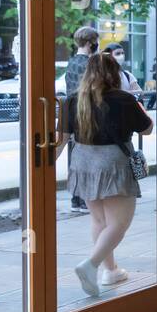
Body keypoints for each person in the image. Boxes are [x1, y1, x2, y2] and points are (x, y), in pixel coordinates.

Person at [59, 52, 154, 296]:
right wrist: (141, 107)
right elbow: (147, 129)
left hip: (82, 162)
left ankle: (109, 270)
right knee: (119, 223)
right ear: (115, 73)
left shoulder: (73, 100)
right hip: (113, 162)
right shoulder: (124, 99)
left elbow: (61, 139)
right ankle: (90, 265)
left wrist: (45, 166)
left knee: (99, 220)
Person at [64, 26, 99, 211]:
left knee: (76, 158)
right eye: (95, 42)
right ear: (89, 43)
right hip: (88, 114)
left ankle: (76, 198)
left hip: (72, 115)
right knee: (88, 157)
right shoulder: (90, 64)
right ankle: (84, 198)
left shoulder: (70, 63)